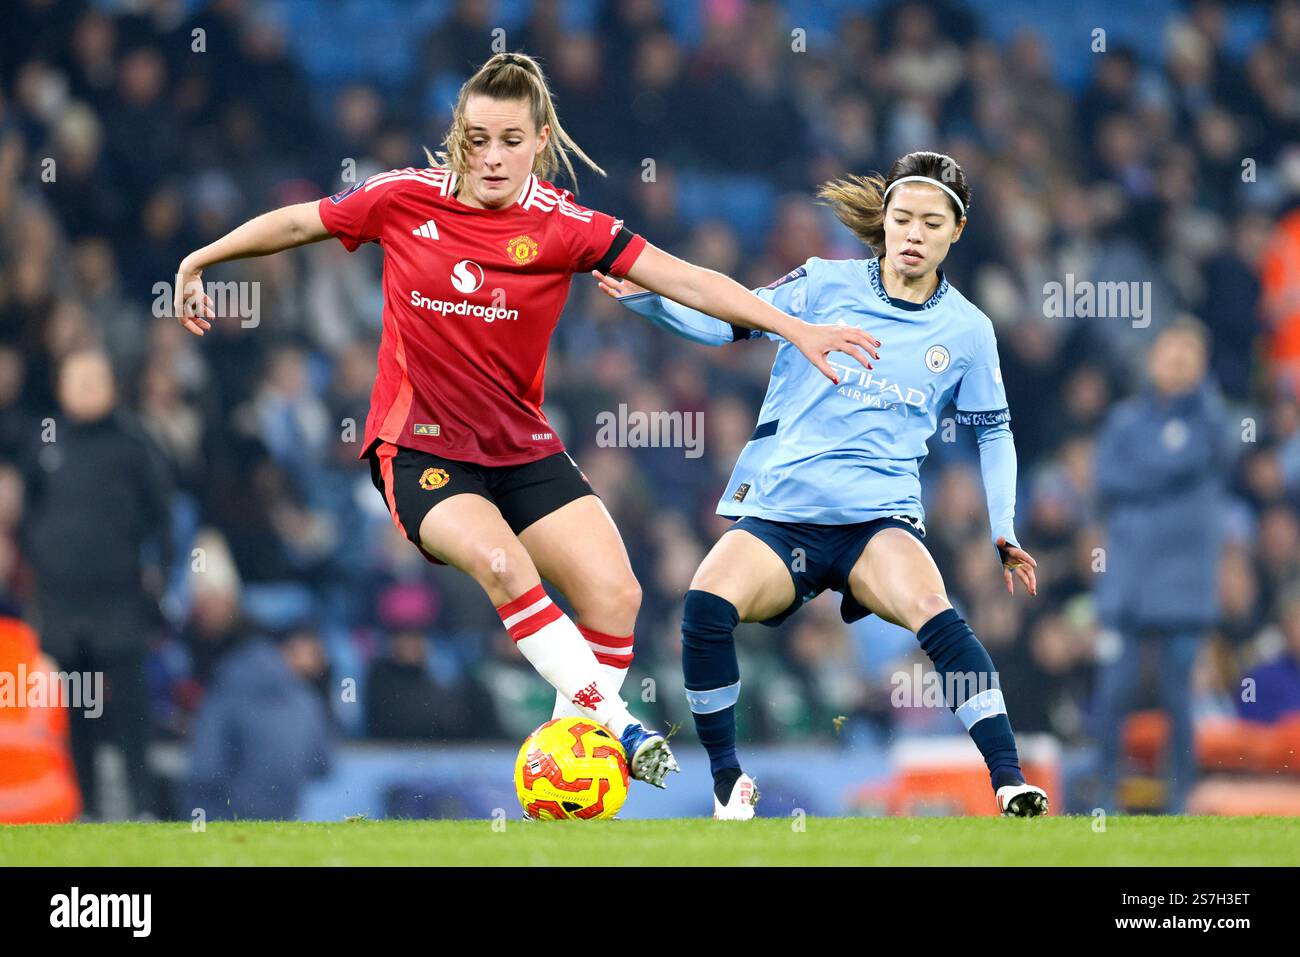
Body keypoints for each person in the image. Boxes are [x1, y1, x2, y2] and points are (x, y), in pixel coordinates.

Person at [173, 51, 879, 788]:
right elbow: (299, 220)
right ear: (458, 136)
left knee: (618, 593)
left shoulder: (565, 226)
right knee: (504, 564)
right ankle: (619, 725)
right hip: (419, 450)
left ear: (541, 140)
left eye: (511, 139)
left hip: (520, 448)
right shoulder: (404, 198)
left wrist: (789, 329)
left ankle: (565, 760)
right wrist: (202, 257)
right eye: (477, 137)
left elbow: (688, 278)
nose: (492, 155)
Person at [599, 151, 1049, 818]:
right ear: (885, 222)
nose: (914, 233)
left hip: (878, 523)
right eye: (903, 218)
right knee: (704, 606)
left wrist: (1004, 527)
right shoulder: (820, 282)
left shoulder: (969, 331)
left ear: (956, 231)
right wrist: (651, 304)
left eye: (932, 221)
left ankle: (1008, 779)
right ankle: (728, 784)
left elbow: (994, 431)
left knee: (936, 610)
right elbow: (727, 322)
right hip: (782, 515)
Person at [19, 347, 173, 819]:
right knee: (77, 706)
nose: (86, 388)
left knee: (128, 703)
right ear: (61, 386)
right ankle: (83, 806)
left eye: (95, 379)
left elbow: (162, 514)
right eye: (77, 379)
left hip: (118, 596)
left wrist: (161, 572)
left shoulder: (133, 441)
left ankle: (141, 805)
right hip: (62, 599)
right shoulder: (46, 441)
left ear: (111, 386)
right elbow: (29, 512)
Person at [1092, 317, 1229, 813]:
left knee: (1178, 697)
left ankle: (1181, 796)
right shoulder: (1124, 420)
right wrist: (1163, 470)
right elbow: (1106, 479)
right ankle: (1107, 789)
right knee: (1114, 691)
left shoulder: (1214, 421)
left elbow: (1193, 458)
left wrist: (1143, 471)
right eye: (1170, 353)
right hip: (1127, 580)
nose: (1177, 363)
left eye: (1188, 355)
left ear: (1202, 365)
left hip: (1184, 585)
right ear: (1152, 360)